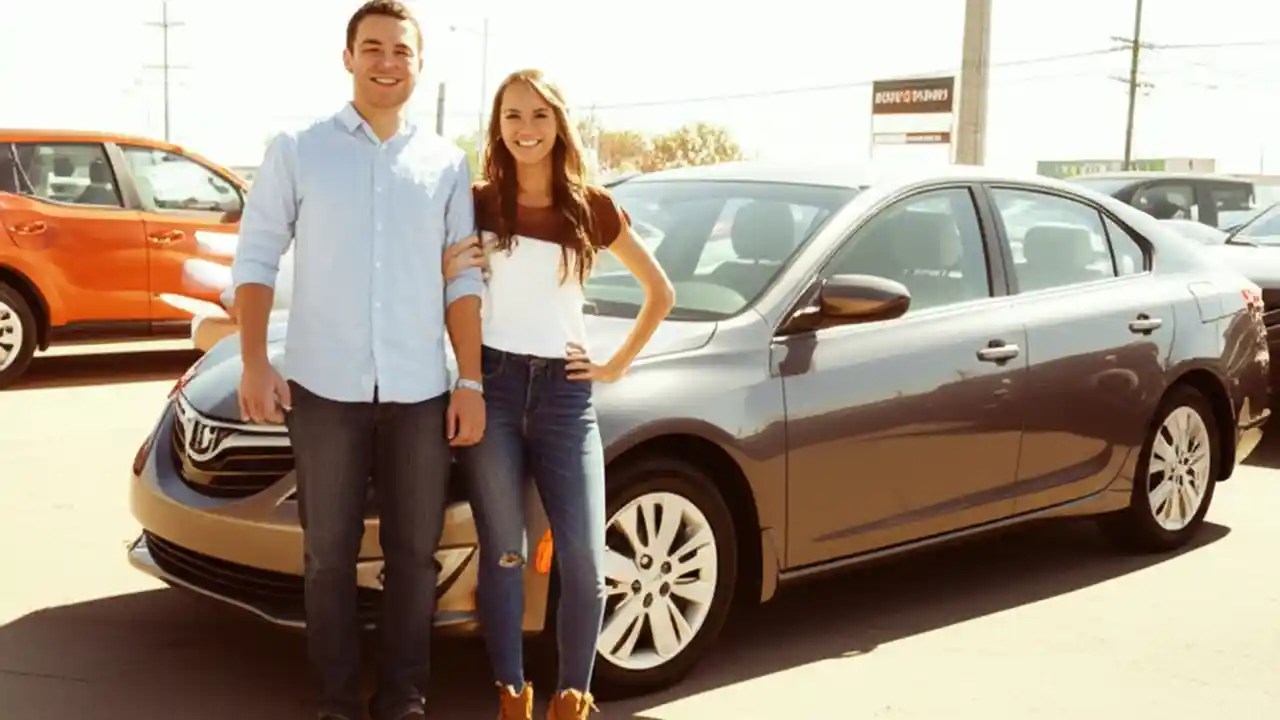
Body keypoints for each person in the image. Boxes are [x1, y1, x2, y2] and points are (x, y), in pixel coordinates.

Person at [230, 2, 485, 719]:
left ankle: (404, 696)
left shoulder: (445, 164)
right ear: (347, 58)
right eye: (372, 48)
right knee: (328, 557)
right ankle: (338, 700)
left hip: (419, 390)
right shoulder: (298, 148)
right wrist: (254, 360)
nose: (386, 62)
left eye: (401, 51)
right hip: (324, 390)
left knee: (414, 557)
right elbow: (255, 255)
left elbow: (462, 278)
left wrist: (468, 380)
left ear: (419, 64)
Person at [444, 69, 675, 720]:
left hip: (564, 399)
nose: (525, 129)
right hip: (491, 384)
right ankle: (512, 695)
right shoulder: (479, 201)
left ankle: (572, 698)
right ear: (498, 127)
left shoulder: (592, 205)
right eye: (512, 116)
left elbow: (661, 292)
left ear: (559, 124)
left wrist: (613, 365)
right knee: (507, 551)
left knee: (583, 557)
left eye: (539, 116)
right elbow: (447, 283)